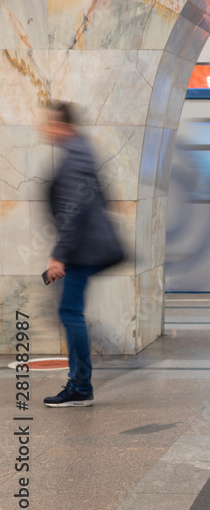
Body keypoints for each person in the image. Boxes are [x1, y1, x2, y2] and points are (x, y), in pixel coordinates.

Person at [42, 101, 124, 407]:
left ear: (64, 126)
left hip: (80, 249)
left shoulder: (75, 157)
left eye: (50, 123)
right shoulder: (83, 152)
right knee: (69, 311)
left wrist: (59, 254)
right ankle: (80, 381)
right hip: (85, 246)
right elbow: (102, 199)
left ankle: (80, 386)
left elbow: (74, 212)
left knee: (69, 312)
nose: (45, 128)